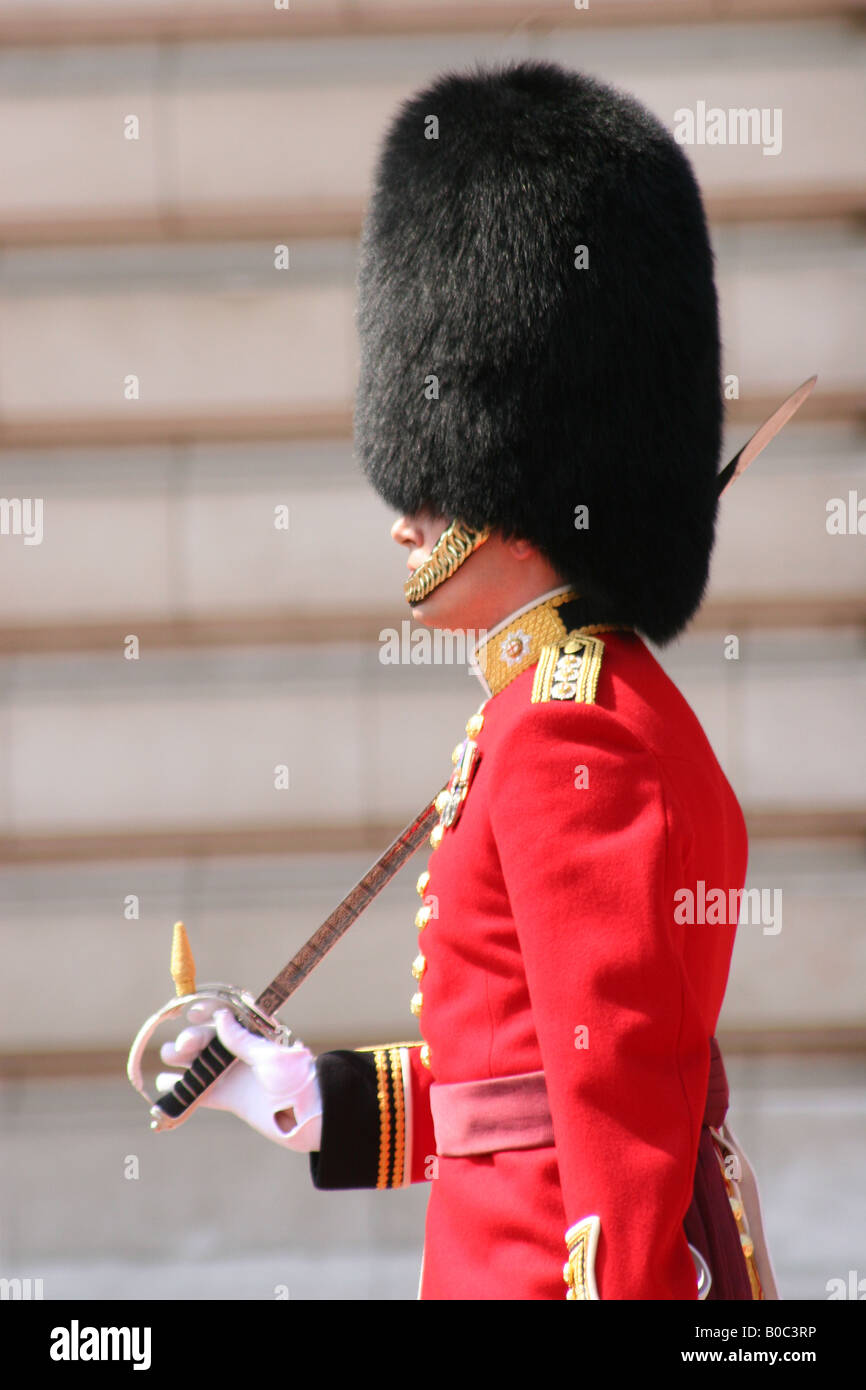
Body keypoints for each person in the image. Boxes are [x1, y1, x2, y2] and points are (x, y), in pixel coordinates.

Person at [159, 60, 778, 1300]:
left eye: (434, 483)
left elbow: (620, 1127)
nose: (404, 519)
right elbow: (512, 1091)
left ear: (523, 483)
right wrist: (297, 1092)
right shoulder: (555, 711)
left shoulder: (573, 738)